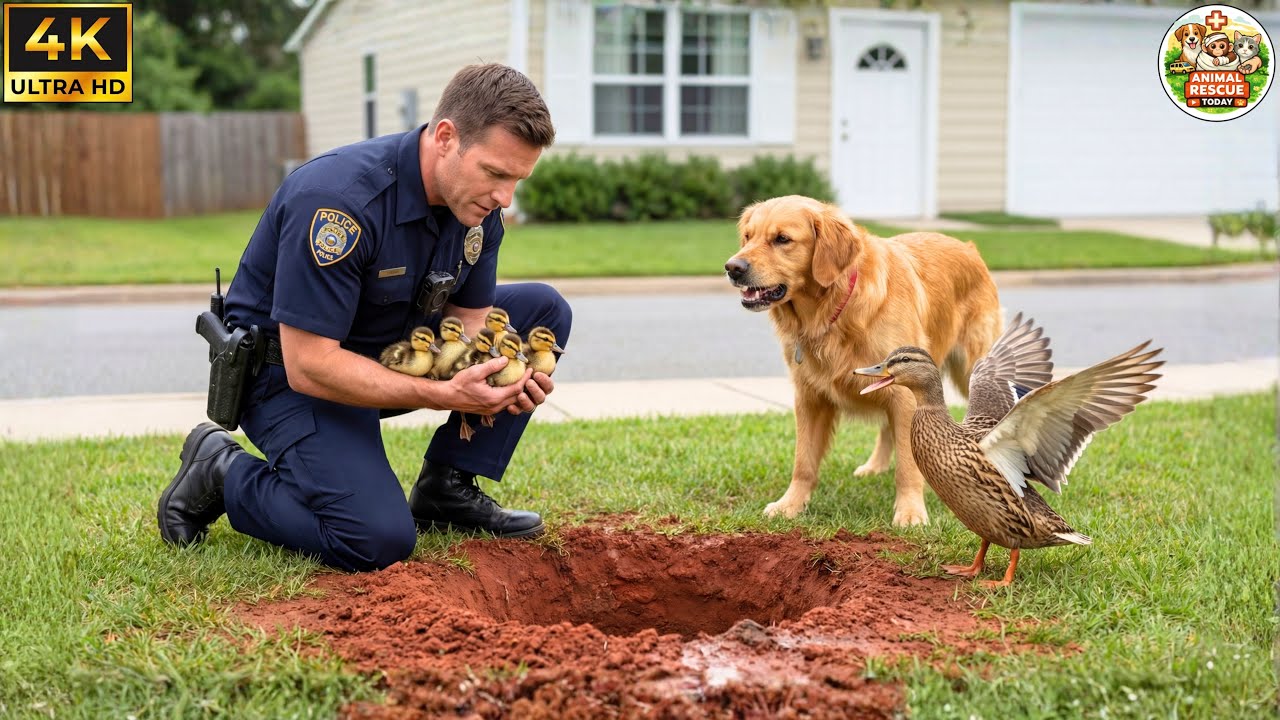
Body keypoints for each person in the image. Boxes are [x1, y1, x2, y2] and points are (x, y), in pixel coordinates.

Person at [157, 63, 569, 572]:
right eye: (495, 173)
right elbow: (310, 365)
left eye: (517, 180)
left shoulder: (477, 209)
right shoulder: (338, 202)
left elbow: (470, 321)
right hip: (287, 377)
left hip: (377, 349)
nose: (505, 197)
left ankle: (447, 488)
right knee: (375, 540)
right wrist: (445, 393)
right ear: (446, 138)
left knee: (543, 314)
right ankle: (221, 472)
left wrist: (493, 378)